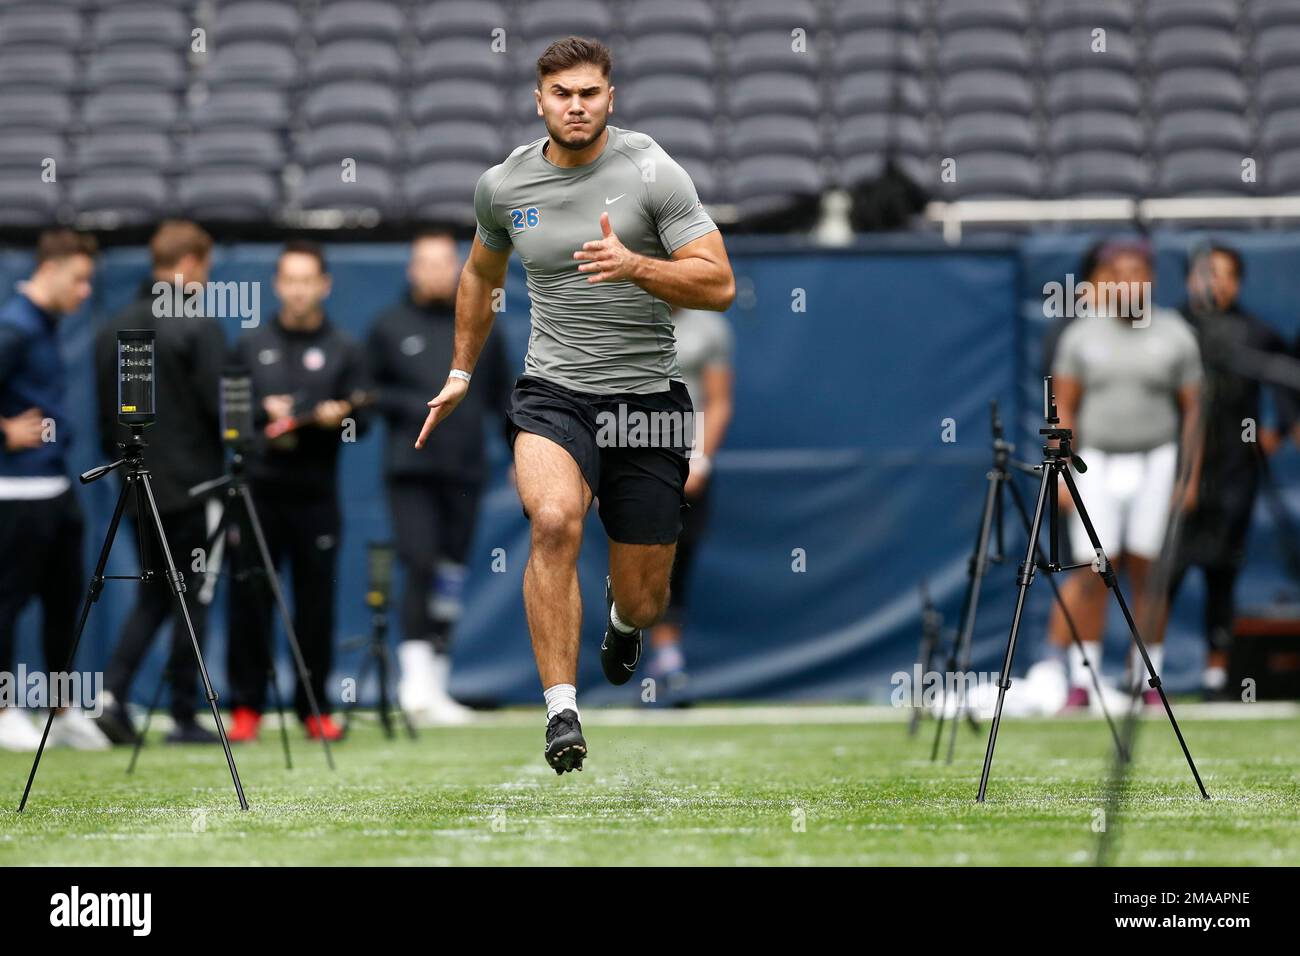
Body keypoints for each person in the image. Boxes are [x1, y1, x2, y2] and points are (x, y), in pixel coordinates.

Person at [414, 36, 735, 772]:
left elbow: (717, 284)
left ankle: (622, 625)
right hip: (554, 391)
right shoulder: (503, 186)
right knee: (554, 520)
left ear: (609, 98)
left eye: (590, 92)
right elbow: (476, 275)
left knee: (647, 597)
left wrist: (636, 266)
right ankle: (562, 710)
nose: (577, 105)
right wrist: (462, 369)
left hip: (648, 400)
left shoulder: (653, 169)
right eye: (563, 94)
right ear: (540, 101)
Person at [1049, 238, 1203, 710]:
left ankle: (1148, 678)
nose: (1128, 282)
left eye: (1138, 272)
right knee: (1092, 568)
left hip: (1156, 459)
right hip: (1093, 461)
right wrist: (1061, 472)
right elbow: (1064, 404)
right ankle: (1083, 679)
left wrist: (1188, 476)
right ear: (1105, 281)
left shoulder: (1175, 333)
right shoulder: (1081, 335)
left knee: (1148, 570)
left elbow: (1195, 412)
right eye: (1119, 274)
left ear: (1151, 280)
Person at [226, 240, 370, 742]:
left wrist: (337, 418)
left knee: (314, 606)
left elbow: (364, 418)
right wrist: (262, 414)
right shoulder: (249, 346)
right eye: (290, 279)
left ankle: (314, 709)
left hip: (316, 498)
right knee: (250, 600)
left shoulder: (345, 349)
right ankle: (245, 708)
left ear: (324, 285)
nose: (299, 289)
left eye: (309, 279)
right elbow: (229, 419)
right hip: (258, 496)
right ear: (277, 284)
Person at [367, 231, 511, 725]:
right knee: (421, 563)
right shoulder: (387, 326)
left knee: (451, 573)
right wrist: (414, 407)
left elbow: (504, 398)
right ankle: (414, 682)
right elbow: (368, 393)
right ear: (412, 269)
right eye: (425, 262)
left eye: (444, 262)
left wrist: (521, 451)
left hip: (465, 472)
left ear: (458, 267)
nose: (435, 271)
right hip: (411, 472)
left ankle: (440, 683)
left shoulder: (481, 323)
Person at [92, 221, 226, 745]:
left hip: (135, 488)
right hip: (193, 491)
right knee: (193, 596)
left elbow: (107, 422)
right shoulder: (197, 323)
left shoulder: (111, 328)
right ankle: (184, 715)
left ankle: (114, 696)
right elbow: (222, 412)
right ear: (191, 263)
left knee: (153, 595)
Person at [1169, 244, 1297, 699]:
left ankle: (1217, 679)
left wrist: (1277, 430)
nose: (1212, 283)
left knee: (1222, 573)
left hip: (1233, 472)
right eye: (1205, 273)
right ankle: (1143, 674)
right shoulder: (1169, 330)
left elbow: (1285, 382)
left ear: (1237, 282)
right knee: (1163, 571)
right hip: (1175, 473)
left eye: (1223, 275)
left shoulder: (1255, 333)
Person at [0, 229, 107, 751]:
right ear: (52, 269)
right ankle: (1, 710)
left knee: (66, 601)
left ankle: (61, 709)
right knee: (7, 603)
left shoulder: (43, 325)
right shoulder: (15, 328)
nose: (85, 291)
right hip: (16, 495)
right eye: (80, 279)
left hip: (57, 489)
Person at [647, 307, 734, 695]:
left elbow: (718, 401)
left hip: (685, 453)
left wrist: (700, 460)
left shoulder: (708, 327)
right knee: (638, 559)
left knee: (677, 557)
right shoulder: (624, 313)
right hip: (636, 448)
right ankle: (640, 649)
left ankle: (667, 660)